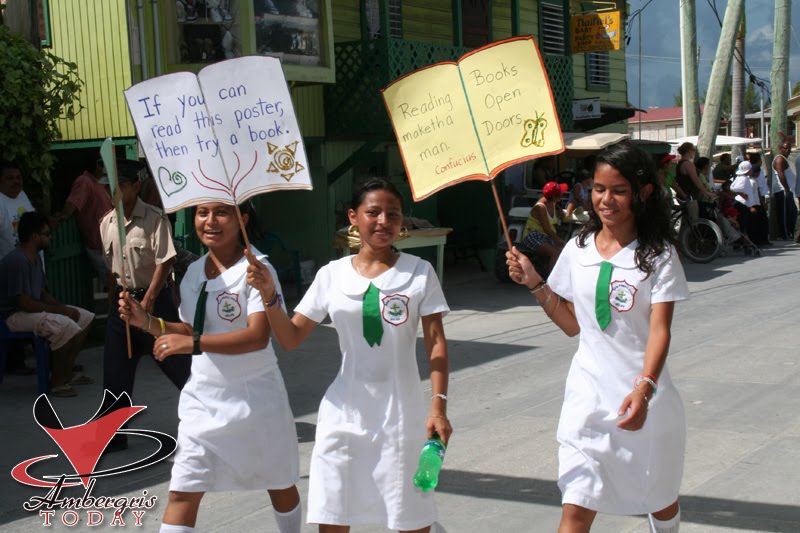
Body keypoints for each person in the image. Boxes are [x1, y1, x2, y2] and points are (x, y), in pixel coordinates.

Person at [245, 177, 452, 533]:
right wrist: (269, 296)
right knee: (333, 515)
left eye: (393, 214)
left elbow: (436, 343)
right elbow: (290, 337)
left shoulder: (419, 272)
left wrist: (439, 407)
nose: (383, 221)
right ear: (354, 217)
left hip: (400, 418)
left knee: (410, 518)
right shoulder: (331, 275)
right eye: (373, 212)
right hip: (342, 415)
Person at [506, 142, 689, 533]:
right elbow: (573, 324)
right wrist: (534, 281)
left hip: (645, 399)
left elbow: (660, 329)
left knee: (659, 501)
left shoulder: (659, 255)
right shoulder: (578, 248)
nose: (606, 200)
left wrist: (644, 388)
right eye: (599, 189)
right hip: (587, 400)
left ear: (643, 192)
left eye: (618, 190)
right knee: (576, 505)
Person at [119, 201, 301, 533]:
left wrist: (193, 344)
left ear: (242, 219)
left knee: (279, 484)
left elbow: (257, 337)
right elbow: (193, 329)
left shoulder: (257, 269)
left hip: (256, 402)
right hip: (203, 401)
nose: (210, 221)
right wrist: (146, 321)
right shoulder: (193, 273)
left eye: (222, 212)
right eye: (202, 212)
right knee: (182, 491)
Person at [99, 159, 191, 451]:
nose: (115, 193)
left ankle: (213, 417)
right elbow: (111, 269)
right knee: (115, 372)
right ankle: (114, 436)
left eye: (121, 186)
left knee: (180, 366)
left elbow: (166, 261)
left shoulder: (154, 218)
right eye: (111, 188)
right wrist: (115, 303)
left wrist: (149, 300)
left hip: (153, 302)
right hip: (122, 305)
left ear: (136, 186)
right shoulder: (107, 222)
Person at [0, 212, 95, 397]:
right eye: (46, 234)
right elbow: (24, 303)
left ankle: (66, 373)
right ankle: (57, 383)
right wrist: (61, 311)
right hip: (11, 316)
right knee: (63, 325)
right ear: (34, 237)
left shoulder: (35, 258)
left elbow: (42, 293)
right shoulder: (18, 261)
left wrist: (64, 309)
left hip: (27, 310)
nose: (50, 237)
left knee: (85, 317)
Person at [53, 158, 113, 279]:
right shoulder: (84, 181)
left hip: (108, 245)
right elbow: (72, 204)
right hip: (98, 247)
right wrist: (63, 215)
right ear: (98, 167)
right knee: (112, 281)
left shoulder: (100, 184)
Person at [521, 181, 567, 272]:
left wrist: (559, 210)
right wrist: (560, 241)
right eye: (560, 195)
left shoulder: (552, 202)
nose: (562, 196)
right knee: (555, 252)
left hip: (545, 237)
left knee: (563, 251)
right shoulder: (540, 207)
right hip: (533, 235)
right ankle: (551, 279)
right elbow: (547, 229)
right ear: (554, 197)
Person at [0, 161, 36, 259]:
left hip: (31, 263)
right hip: (10, 266)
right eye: (10, 178)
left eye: (18, 177)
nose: (16, 181)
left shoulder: (21, 194)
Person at [771, 140, 797, 240]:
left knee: (792, 213)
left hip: (787, 191)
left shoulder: (783, 159)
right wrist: (786, 189)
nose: (787, 150)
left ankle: (789, 232)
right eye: (785, 148)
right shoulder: (779, 159)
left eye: (789, 148)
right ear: (780, 148)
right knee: (784, 215)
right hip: (782, 191)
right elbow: (781, 174)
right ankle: (784, 234)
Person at [730, 160, 757, 241]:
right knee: (743, 225)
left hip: (741, 203)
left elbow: (732, 187)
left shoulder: (739, 177)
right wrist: (743, 195)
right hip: (742, 204)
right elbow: (736, 189)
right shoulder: (744, 178)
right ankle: (744, 242)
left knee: (742, 224)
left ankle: (742, 242)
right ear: (748, 170)